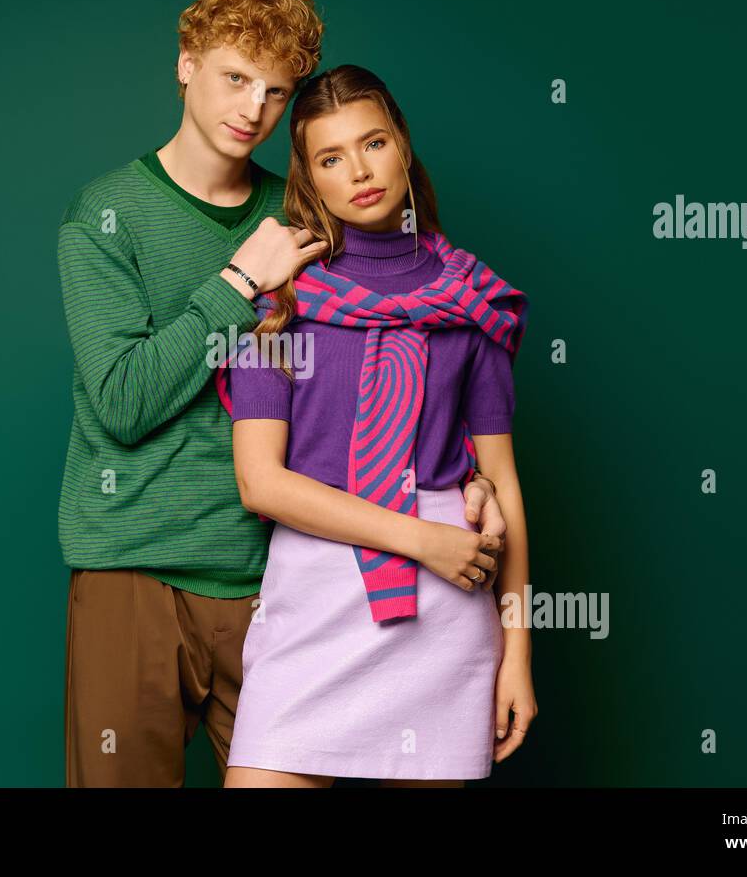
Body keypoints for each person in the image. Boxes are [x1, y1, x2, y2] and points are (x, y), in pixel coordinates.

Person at [58, 0, 508, 787]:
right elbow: (122, 402)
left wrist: (466, 477)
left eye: (274, 92)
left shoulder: (309, 209)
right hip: (136, 568)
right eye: (235, 79)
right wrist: (236, 284)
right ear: (186, 63)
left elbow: (395, 359)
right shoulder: (108, 215)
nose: (252, 110)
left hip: (279, 577)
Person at [219, 64, 536, 787]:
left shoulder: (469, 296)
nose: (359, 171)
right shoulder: (282, 299)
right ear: (310, 177)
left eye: (374, 144)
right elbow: (260, 484)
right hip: (316, 594)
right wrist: (420, 539)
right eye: (332, 158)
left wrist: (518, 655)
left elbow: (506, 490)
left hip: (446, 614)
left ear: (403, 146)